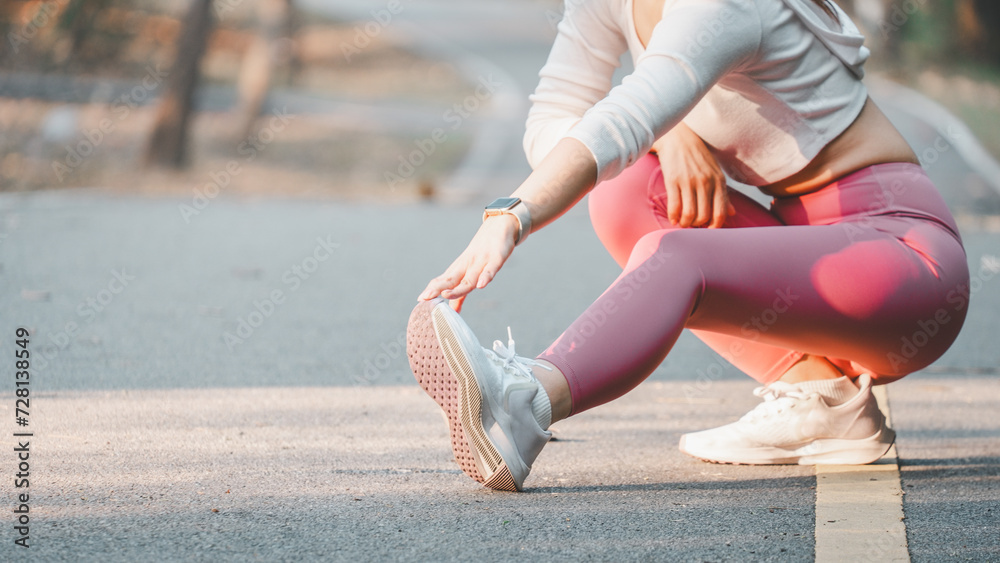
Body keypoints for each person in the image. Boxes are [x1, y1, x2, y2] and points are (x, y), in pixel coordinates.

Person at [406, 0, 970, 492]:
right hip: (815, 260)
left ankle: (525, 402)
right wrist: (670, 133)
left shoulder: (725, 6)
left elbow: (628, 117)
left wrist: (511, 216)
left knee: (681, 254)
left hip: (902, 260)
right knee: (629, 189)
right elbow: (553, 118)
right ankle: (818, 398)